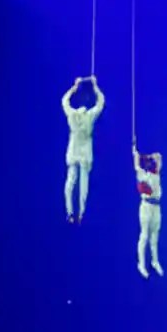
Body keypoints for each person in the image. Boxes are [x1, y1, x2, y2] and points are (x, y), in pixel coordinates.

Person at [62, 76, 105, 224]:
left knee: (70, 182)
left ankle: (70, 213)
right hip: (84, 151)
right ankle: (81, 213)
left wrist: (74, 87)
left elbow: (64, 101)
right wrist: (95, 86)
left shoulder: (72, 115)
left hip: (75, 149)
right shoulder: (89, 116)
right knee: (83, 184)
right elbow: (101, 103)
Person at [132, 144, 164, 279]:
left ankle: (155, 261)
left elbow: (159, 155)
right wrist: (135, 154)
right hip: (146, 207)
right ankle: (141, 264)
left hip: (156, 207)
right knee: (144, 235)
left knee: (154, 237)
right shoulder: (142, 175)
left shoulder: (156, 173)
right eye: (150, 163)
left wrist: (147, 156)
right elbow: (135, 166)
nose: (153, 163)